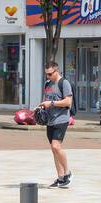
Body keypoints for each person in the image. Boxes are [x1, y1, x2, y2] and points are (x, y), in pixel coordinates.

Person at [39, 60, 74, 188]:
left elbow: (68, 102)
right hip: (50, 119)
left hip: (61, 119)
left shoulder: (64, 83)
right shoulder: (48, 83)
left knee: (56, 146)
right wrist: (41, 107)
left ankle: (68, 173)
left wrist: (52, 104)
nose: (48, 77)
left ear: (56, 71)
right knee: (54, 150)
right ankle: (60, 178)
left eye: (50, 74)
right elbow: (46, 99)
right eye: (46, 74)